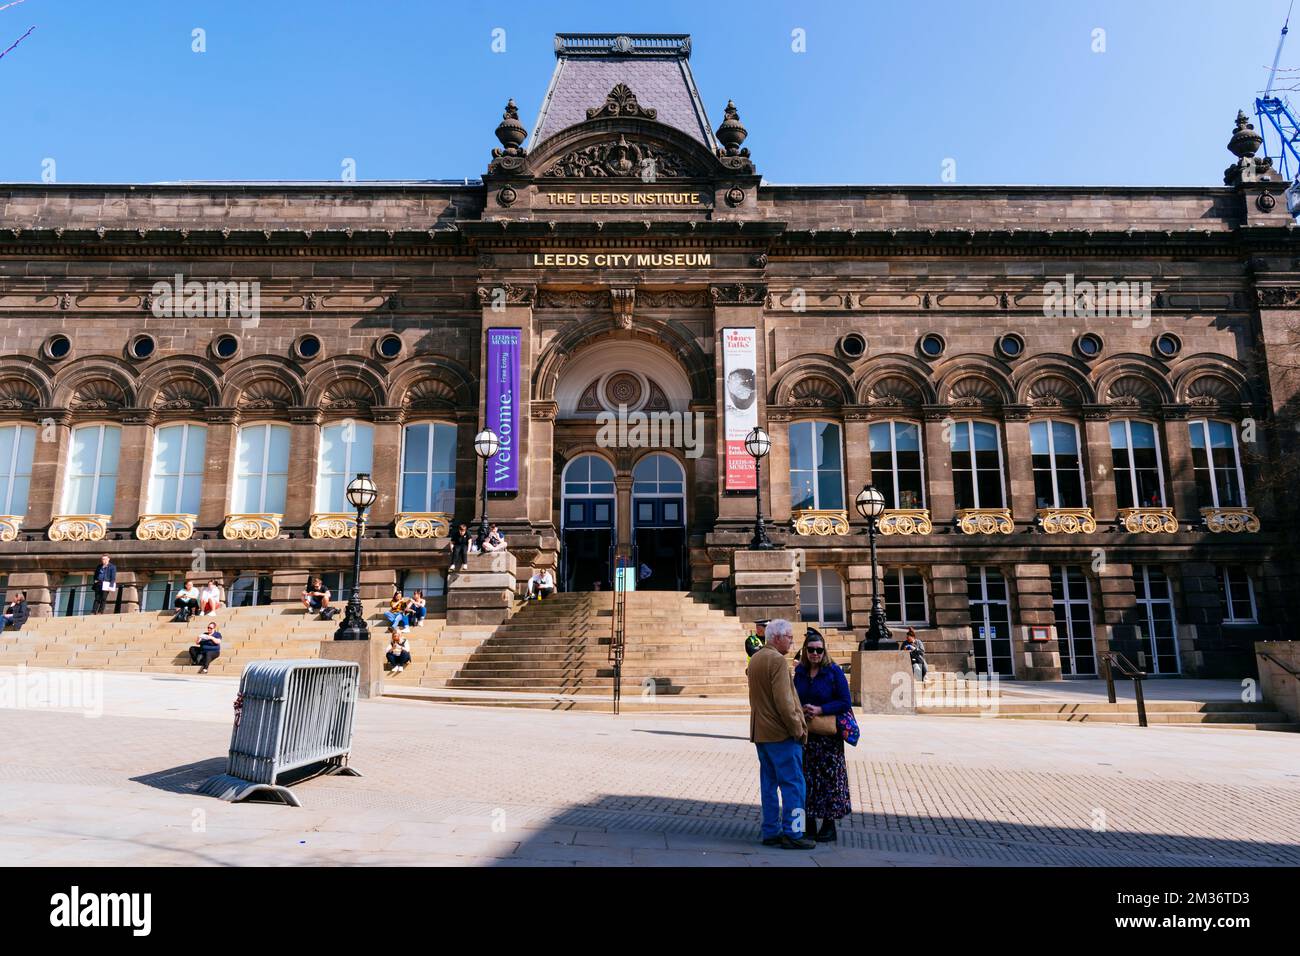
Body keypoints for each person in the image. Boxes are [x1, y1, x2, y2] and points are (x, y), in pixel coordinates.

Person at [746, 618, 814, 850]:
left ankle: (771, 831)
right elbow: (785, 702)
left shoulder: (756, 659)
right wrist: (798, 729)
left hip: (761, 733)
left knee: (769, 784)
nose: (792, 642)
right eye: (789, 637)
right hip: (781, 735)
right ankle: (794, 832)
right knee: (794, 784)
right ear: (776, 637)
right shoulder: (777, 661)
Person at [793, 631, 853, 843]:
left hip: (828, 739)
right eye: (811, 650)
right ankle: (807, 824)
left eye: (819, 649)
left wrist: (820, 709)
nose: (815, 653)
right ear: (805, 651)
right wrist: (801, 708)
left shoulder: (833, 671)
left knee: (828, 781)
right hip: (806, 737)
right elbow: (792, 697)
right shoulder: (799, 672)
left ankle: (828, 826)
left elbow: (845, 702)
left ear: (824, 650)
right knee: (805, 779)